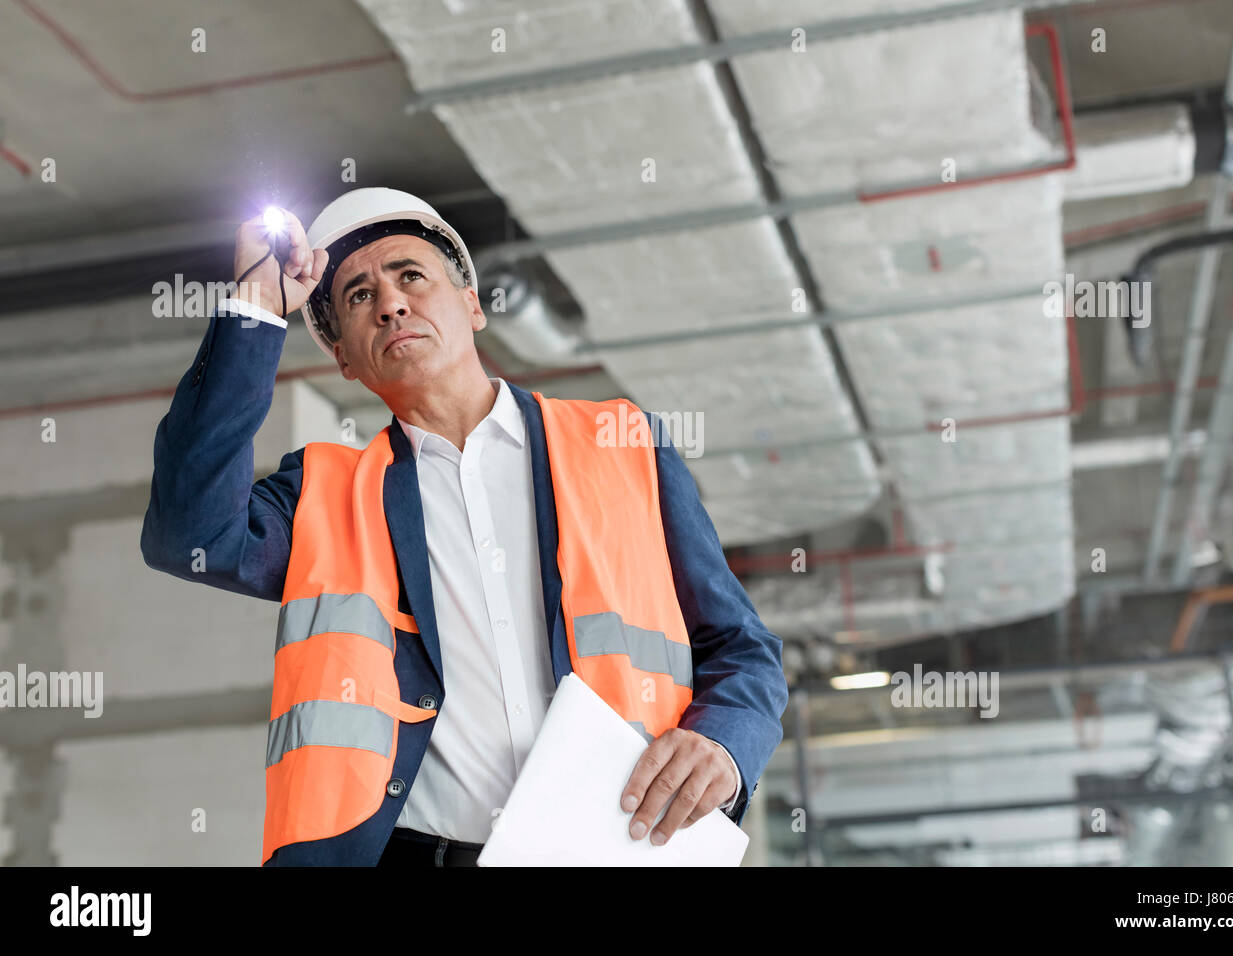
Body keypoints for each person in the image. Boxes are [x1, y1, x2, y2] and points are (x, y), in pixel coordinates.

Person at [140, 186, 787, 866]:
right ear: (345, 361)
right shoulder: (325, 494)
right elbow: (190, 535)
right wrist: (256, 308)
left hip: (617, 844)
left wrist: (725, 744)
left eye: (411, 276)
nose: (390, 302)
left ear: (473, 305)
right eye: (359, 297)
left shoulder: (624, 445)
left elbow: (741, 646)